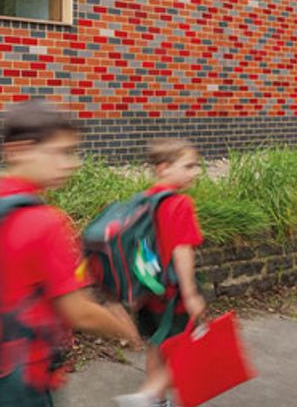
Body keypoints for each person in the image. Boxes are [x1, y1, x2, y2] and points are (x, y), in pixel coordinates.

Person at [0, 101, 142, 407]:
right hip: (29, 372)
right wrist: (122, 327)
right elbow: (78, 312)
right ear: (18, 151)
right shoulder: (44, 221)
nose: (72, 163)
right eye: (61, 152)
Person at [114, 137, 206, 407]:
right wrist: (190, 294)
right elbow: (182, 250)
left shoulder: (142, 201)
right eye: (188, 166)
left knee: (157, 344)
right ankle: (149, 395)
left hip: (149, 290)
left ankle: (156, 402)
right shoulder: (180, 204)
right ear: (163, 167)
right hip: (174, 292)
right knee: (188, 349)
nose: (195, 172)